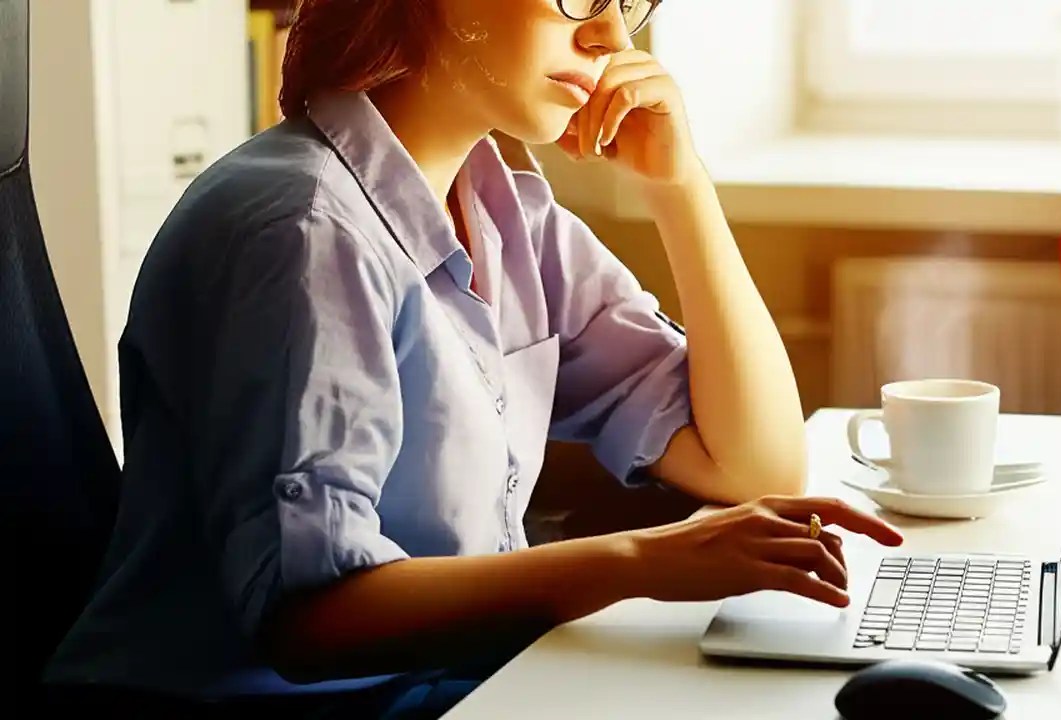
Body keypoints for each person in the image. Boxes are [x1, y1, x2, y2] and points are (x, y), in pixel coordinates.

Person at [44, 0, 903, 716]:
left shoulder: (506, 213)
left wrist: (681, 190)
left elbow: (754, 465)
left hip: (443, 688)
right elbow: (307, 619)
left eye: (629, 3)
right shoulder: (304, 228)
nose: (613, 39)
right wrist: (646, 562)